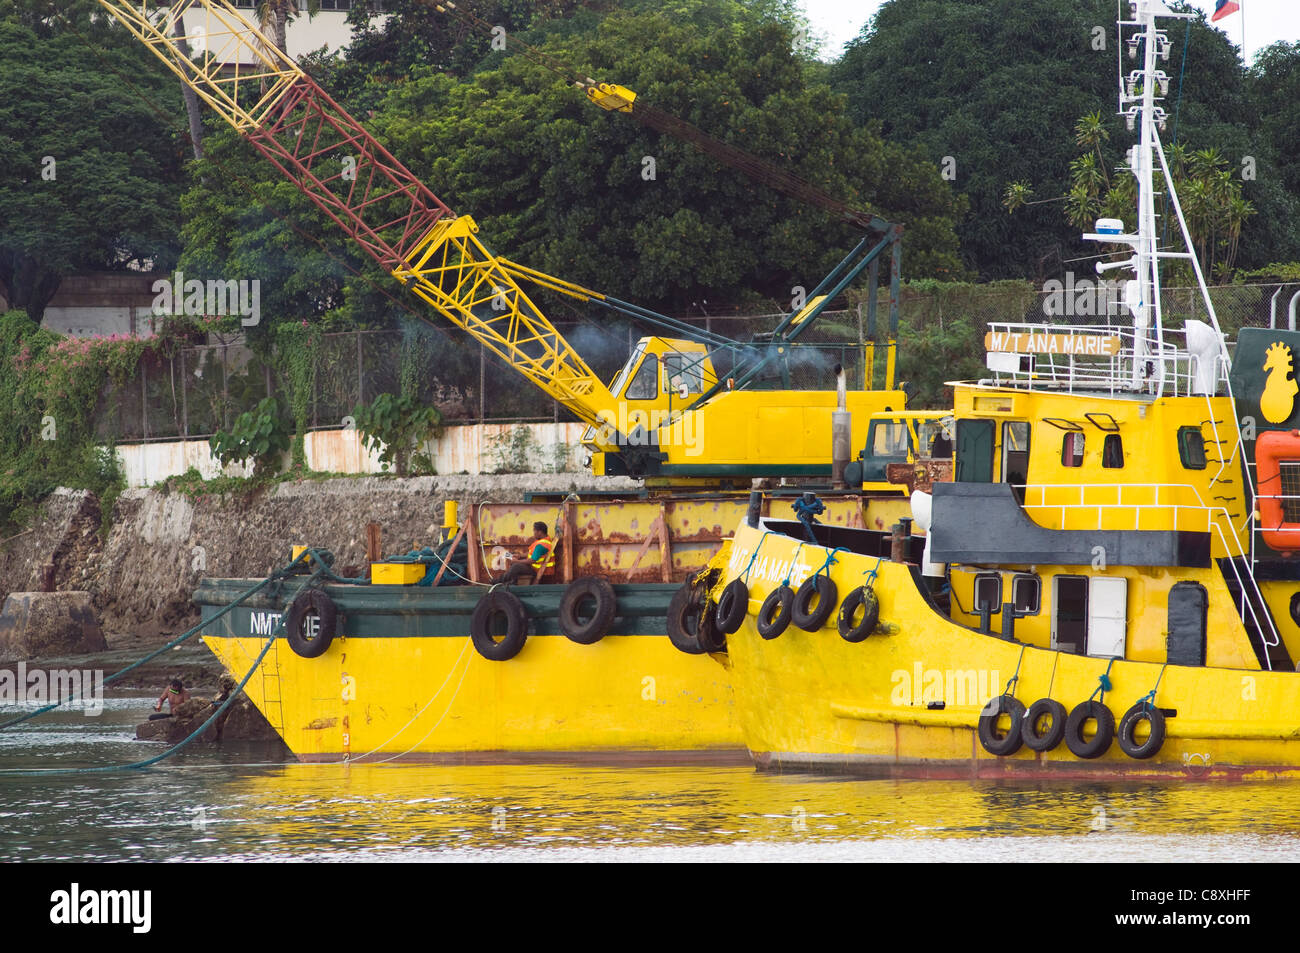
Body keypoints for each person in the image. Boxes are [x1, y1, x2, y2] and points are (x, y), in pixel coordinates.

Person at [498, 521, 555, 585]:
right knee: (511, 554)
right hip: (532, 566)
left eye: (534, 531)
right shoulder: (545, 540)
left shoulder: (541, 545)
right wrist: (519, 555)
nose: (533, 533)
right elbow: (531, 553)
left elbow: (532, 560)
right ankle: (512, 580)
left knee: (516, 566)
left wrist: (517, 561)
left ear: (540, 532)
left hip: (535, 570)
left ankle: (499, 581)